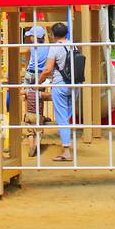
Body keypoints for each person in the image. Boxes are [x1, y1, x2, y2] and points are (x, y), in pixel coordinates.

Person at [37, 21, 74, 162]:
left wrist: (38, 82)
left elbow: (47, 69)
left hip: (60, 85)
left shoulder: (54, 48)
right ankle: (66, 144)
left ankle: (66, 151)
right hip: (74, 85)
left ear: (52, 35)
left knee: (62, 118)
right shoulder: (73, 45)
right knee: (67, 117)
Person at [23, 25, 49, 157]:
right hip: (41, 75)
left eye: (31, 36)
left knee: (26, 96)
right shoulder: (48, 47)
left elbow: (28, 61)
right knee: (40, 97)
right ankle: (39, 115)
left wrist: (26, 71)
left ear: (34, 37)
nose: (29, 38)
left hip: (30, 73)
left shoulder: (32, 48)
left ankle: (27, 114)